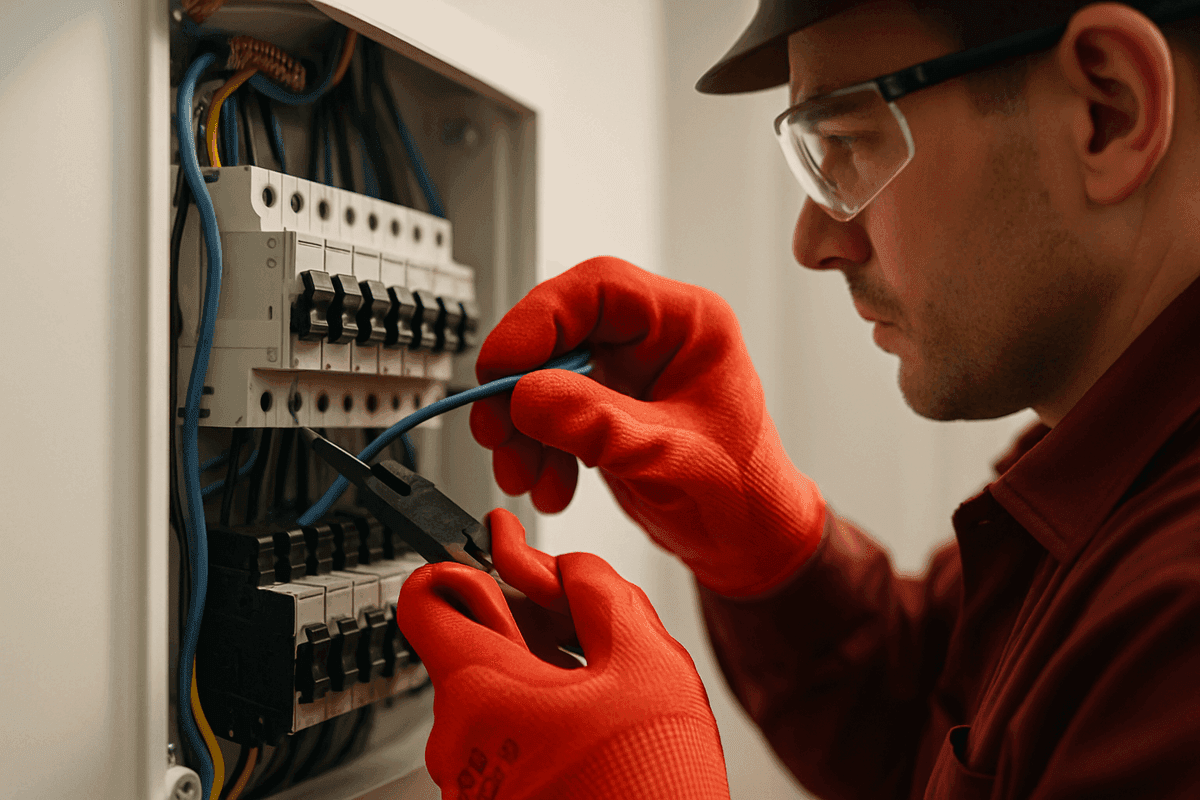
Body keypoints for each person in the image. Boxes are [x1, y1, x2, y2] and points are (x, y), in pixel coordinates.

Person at [396, 1, 1200, 797]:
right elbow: (932, 729)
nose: (814, 244)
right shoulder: (1099, 473)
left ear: (1108, 108)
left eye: (847, 142)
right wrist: (770, 550)